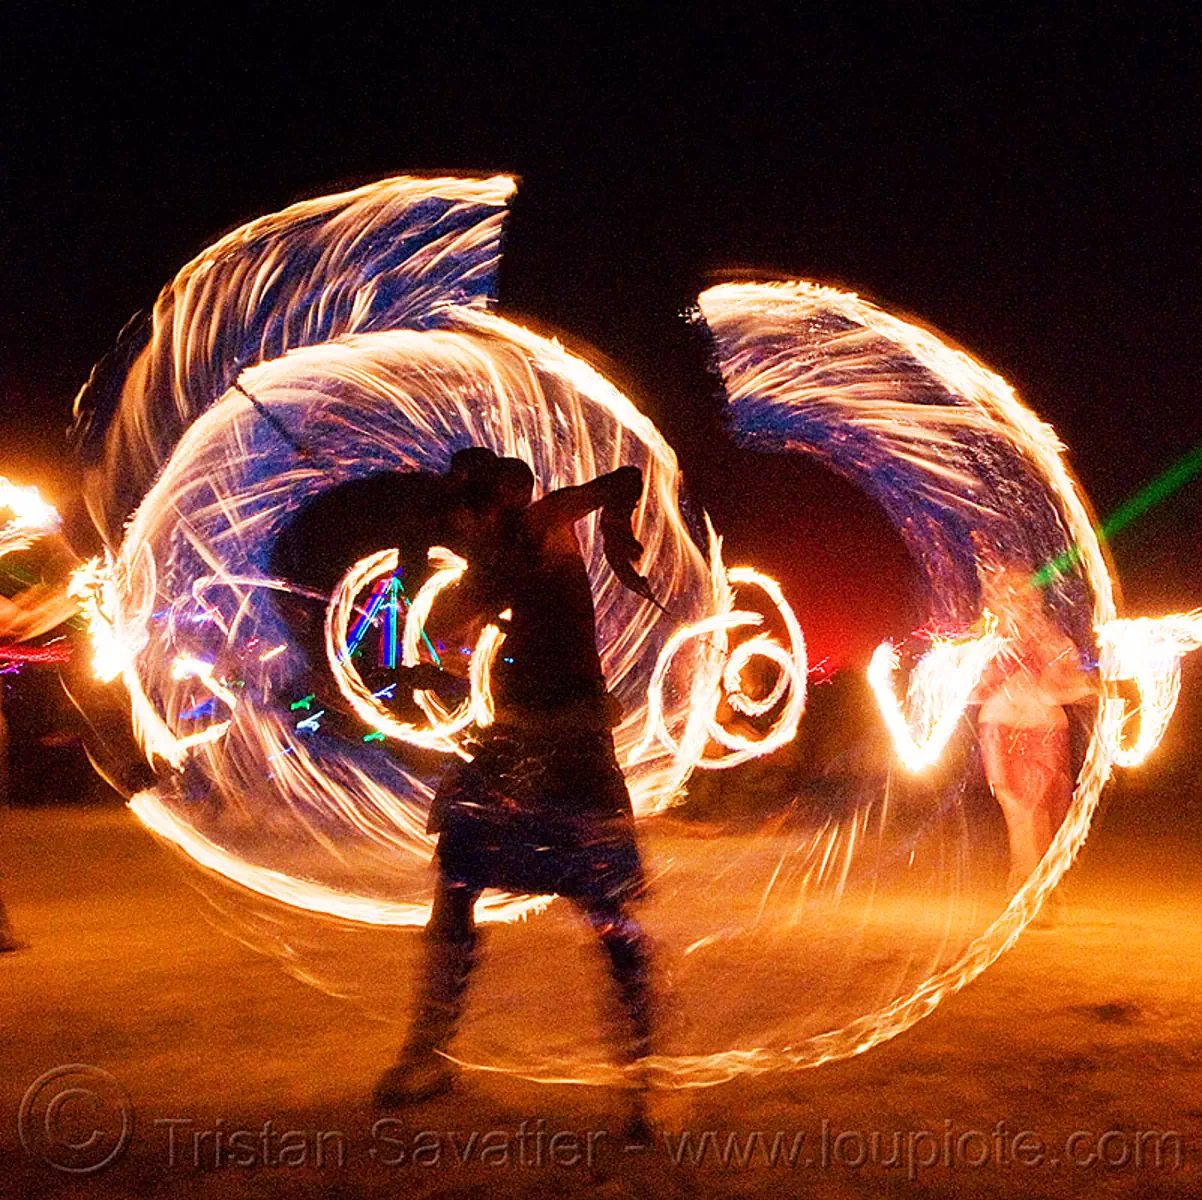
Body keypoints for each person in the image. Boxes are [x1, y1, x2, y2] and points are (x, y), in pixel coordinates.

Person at [373, 449, 658, 1106]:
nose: (455, 527)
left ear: (494, 503)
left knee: (606, 911)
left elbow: (623, 480)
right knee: (457, 889)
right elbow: (451, 635)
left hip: (571, 746)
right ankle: (429, 1055)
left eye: (462, 513)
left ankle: (643, 1077)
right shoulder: (491, 569)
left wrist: (616, 530)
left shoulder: (540, 527)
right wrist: (432, 668)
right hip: (512, 744)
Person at [973, 563, 1098, 901]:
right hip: (1000, 728)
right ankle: (1032, 888)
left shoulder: (1053, 640)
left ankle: (1036, 884)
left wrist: (1091, 688)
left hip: (1045, 731)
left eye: (1026, 592)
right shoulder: (988, 641)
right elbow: (971, 689)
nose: (1018, 599)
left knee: (1043, 813)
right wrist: (1000, 662)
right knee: (1020, 810)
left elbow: (1064, 687)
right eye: (1009, 593)